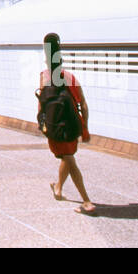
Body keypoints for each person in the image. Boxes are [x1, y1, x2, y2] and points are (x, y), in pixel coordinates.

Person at [38, 32, 95, 214]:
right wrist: (85, 128)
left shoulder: (44, 77)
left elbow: (43, 104)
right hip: (72, 127)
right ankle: (58, 187)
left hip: (56, 127)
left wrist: (42, 124)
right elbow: (83, 105)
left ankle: (86, 202)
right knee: (67, 156)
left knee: (69, 159)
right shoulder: (71, 78)